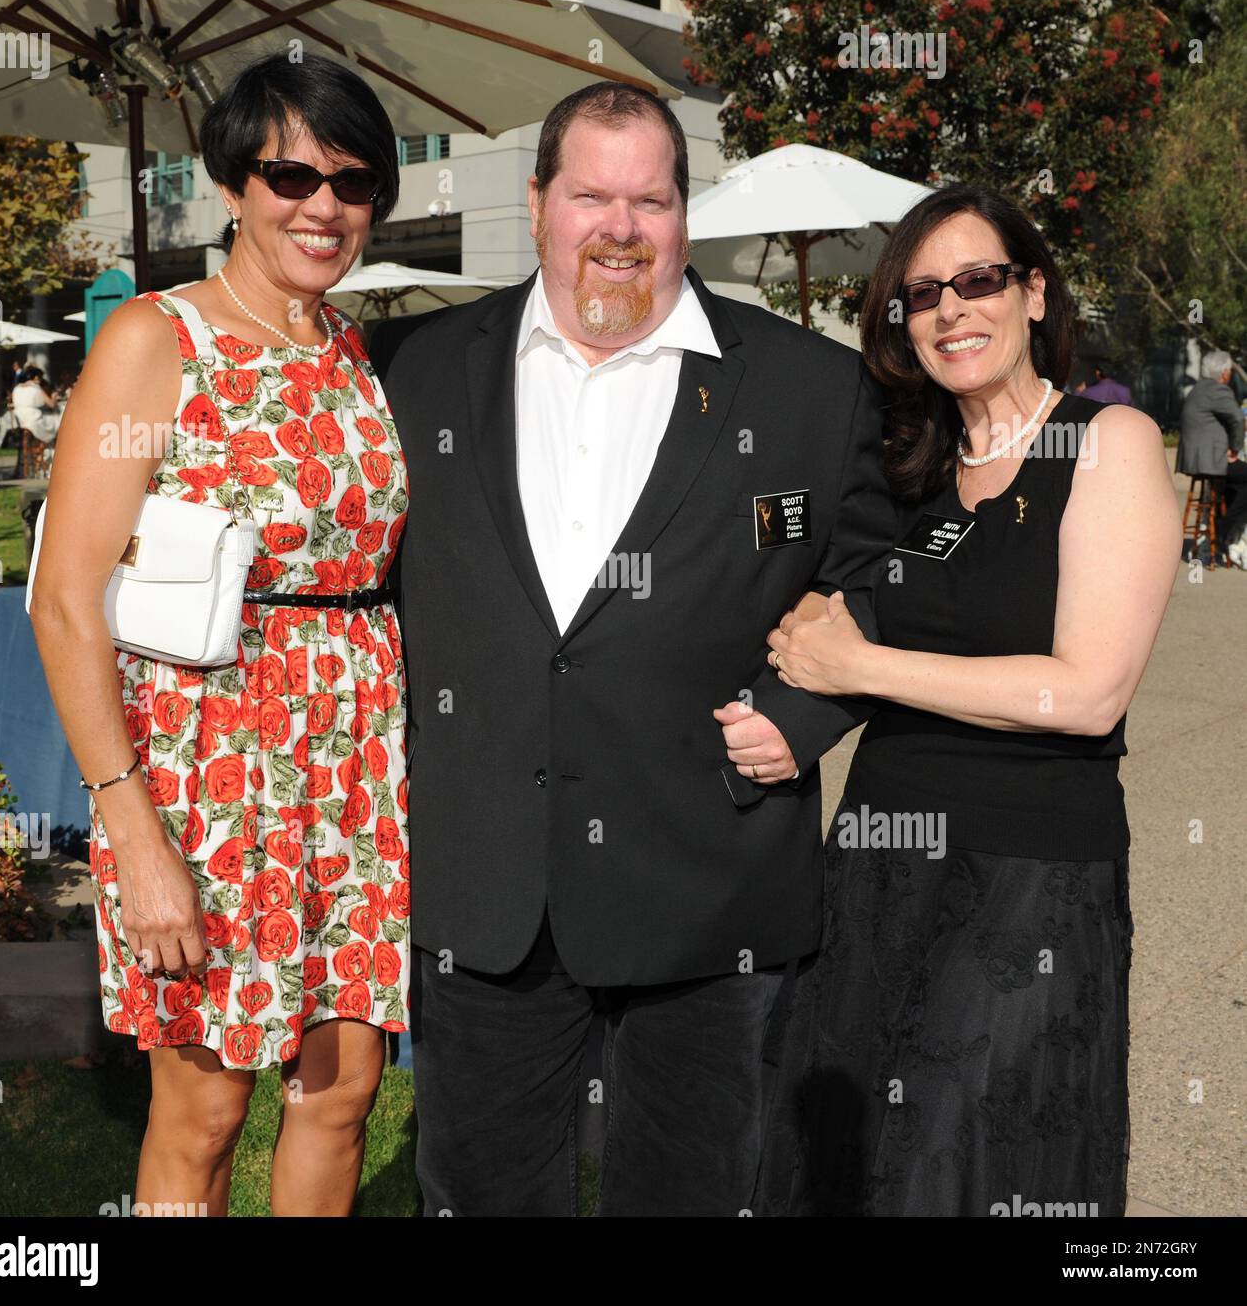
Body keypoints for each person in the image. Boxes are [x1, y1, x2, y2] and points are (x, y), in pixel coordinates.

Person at [369, 82, 896, 1217]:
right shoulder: (405, 371)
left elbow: (881, 576)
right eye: (591, 195)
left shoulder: (809, 387)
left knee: (693, 1195)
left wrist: (804, 714)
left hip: (711, 884)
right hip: (486, 888)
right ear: (537, 204)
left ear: (683, 214)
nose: (619, 225)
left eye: (649, 199)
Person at [29, 51, 407, 1217]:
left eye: (353, 182)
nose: (323, 206)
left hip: (353, 767)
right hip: (206, 773)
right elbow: (63, 597)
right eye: (290, 175)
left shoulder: (350, 350)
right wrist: (130, 830)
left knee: (339, 1095)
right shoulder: (157, 338)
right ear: (233, 185)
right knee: (202, 1113)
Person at [766, 183, 1181, 1216]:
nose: (951, 309)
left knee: (960, 1162)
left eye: (978, 281)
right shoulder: (909, 473)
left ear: (1032, 294)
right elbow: (804, 602)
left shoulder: (1103, 443)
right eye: (921, 294)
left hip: (1030, 870)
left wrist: (857, 668)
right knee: (835, 1156)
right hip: (875, 861)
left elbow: (1087, 691)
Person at [1176, 350, 1244, 566]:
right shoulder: (1218, 390)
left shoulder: (1198, 389)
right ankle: (1223, 535)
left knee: (1236, 485)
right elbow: (1236, 419)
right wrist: (1234, 449)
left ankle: (1218, 528)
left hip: (1193, 459)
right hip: (1210, 461)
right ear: (1224, 373)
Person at [11, 365, 64, 445]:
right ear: (36, 377)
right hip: (32, 419)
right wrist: (54, 396)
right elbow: (52, 405)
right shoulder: (36, 387)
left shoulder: (17, 388)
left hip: (18, 418)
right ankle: (56, 442)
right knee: (57, 418)